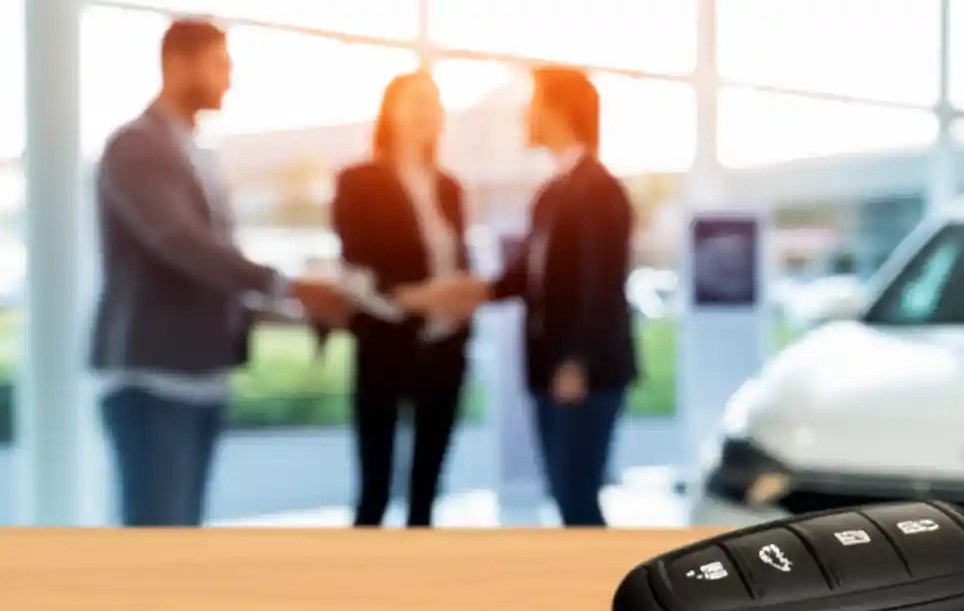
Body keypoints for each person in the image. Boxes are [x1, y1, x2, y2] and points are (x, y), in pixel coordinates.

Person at [91, 19, 348, 527]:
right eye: (220, 65)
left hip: (202, 375)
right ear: (178, 63)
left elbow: (212, 275)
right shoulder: (136, 146)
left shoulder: (198, 151)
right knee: (157, 544)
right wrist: (288, 285)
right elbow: (180, 243)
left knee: (183, 538)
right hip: (153, 380)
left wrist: (293, 311)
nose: (228, 80)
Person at [397, 67, 636, 526]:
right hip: (550, 369)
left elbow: (599, 286)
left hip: (583, 372)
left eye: (533, 104)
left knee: (577, 499)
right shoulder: (553, 193)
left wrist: (576, 361)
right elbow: (528, 277)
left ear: (559, 111)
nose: (525, 116)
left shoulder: (599, 190)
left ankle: (605, 594)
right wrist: (472, 291)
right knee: (566, 497)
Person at [331, 72, 469, 527]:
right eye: (417, 101)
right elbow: (355, 268)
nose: (429, 111)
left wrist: (461, 295)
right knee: (374, 490)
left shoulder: (450, 187)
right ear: (390, 109)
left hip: (445, 349)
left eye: (436, 102)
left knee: (426, 492)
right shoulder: (359, 180)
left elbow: (458, 261)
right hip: (385, 345)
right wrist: (415, 298)